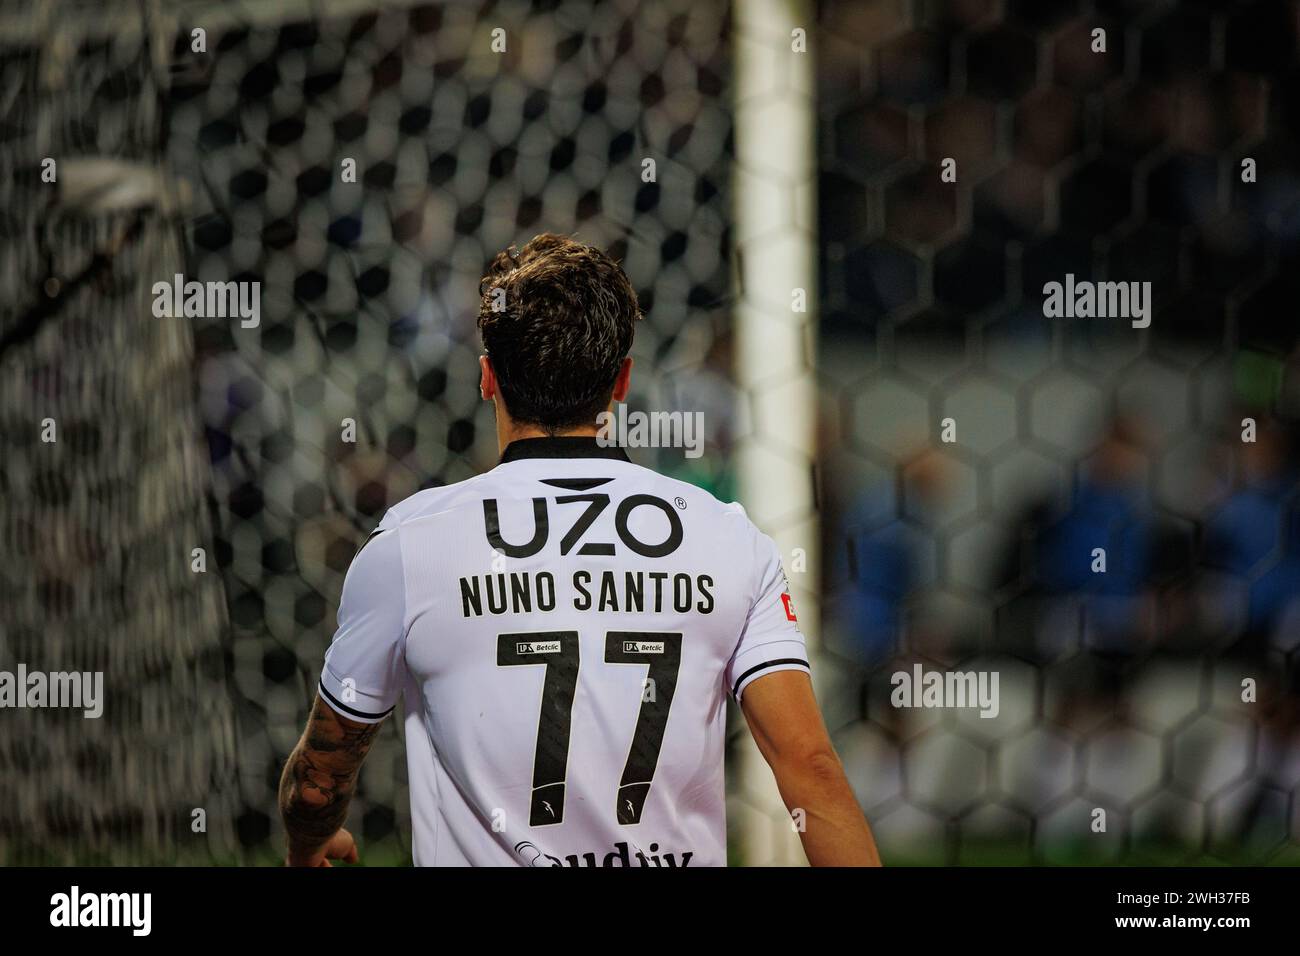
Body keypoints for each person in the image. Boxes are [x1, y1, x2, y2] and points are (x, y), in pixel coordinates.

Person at [278, 233, 880, 867]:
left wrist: (307, 842)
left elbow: (322, 775)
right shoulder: (726, 537)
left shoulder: (409, 544)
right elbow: (809, 767)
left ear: (487, 377)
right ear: (621, 382)